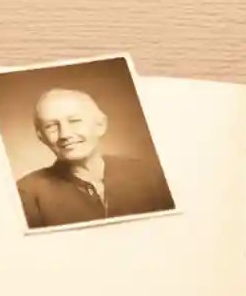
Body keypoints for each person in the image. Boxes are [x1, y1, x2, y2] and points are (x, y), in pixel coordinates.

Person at [16, 88, 175, 229]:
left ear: (100, 125)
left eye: (74, 121)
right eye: (51, 126)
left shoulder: (147, 174)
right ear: (41, 137)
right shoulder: (27, 194)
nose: (65, 134)